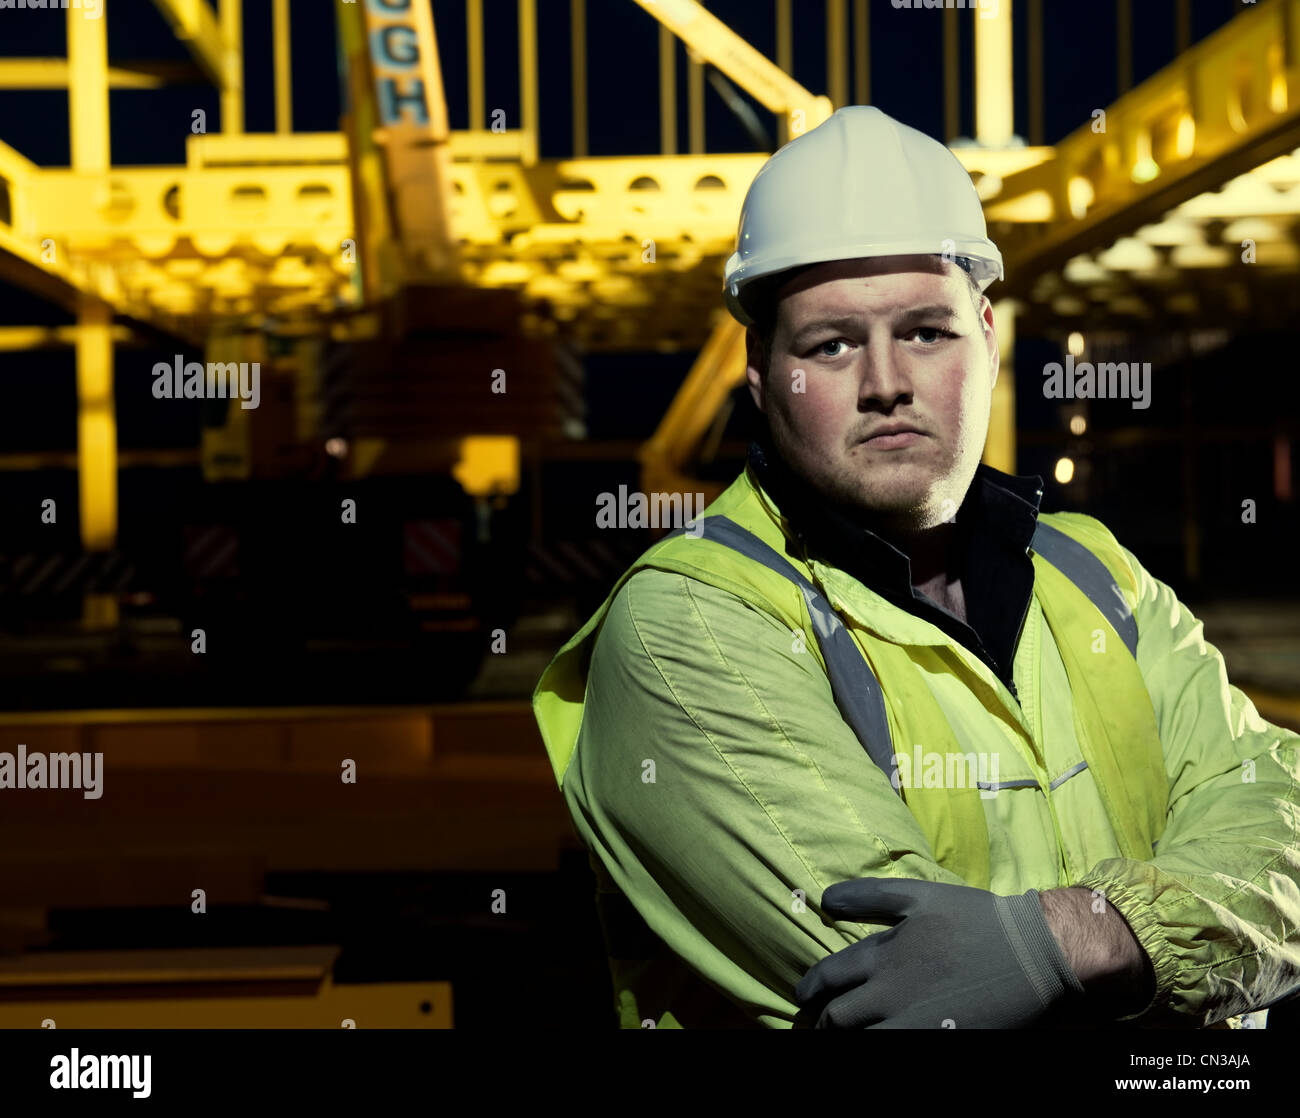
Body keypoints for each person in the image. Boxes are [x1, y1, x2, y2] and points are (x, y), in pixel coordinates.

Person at [532, 105, 1300, 1029]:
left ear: (986, 337)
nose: (887, 381)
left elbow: (1281, 819)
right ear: (761, 376)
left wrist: (1071, 940)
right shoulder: (687, 629)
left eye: (927, 333)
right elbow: (910, 990)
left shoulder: (1091, 570)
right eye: (833, 343)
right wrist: (1176, 963)